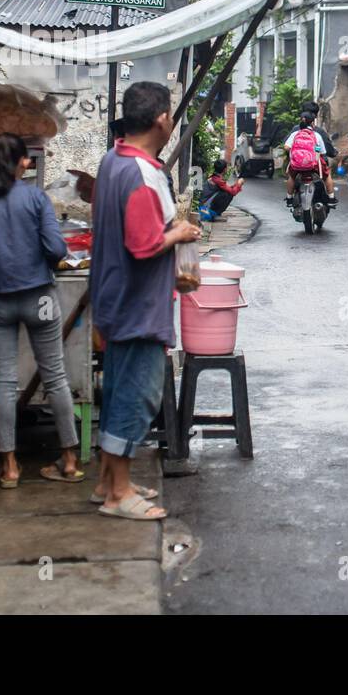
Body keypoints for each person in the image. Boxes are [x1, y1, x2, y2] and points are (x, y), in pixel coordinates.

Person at [89, 82, 200, 519]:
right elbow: (143, 244)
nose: (172, 121)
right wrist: (180, 232)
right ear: (161, 121)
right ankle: (118, 495)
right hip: (138, 305)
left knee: (117, 391)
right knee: (137, 395)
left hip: (114, 298)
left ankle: (108, 482)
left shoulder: (113, 160)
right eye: (170, 114)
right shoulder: (140, 174)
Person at [0, 133, 81, 490]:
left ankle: (10, 467)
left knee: (3, 382)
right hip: (39, 298)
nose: (28, 164)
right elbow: (56, 247)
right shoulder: (35, 198)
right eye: (26, 159)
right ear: (19, 163)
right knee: (55, 376)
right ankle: (70, 460)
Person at [284, 111, 336, 205]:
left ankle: (289, 198)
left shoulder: (295, 134)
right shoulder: (316, 135)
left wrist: (296, 151)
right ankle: (331, 198)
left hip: (296, 164)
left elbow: (286, 147)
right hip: (313, 165)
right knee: (327, 175)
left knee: (291, 176)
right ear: (312, 123)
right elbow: (322, 152)